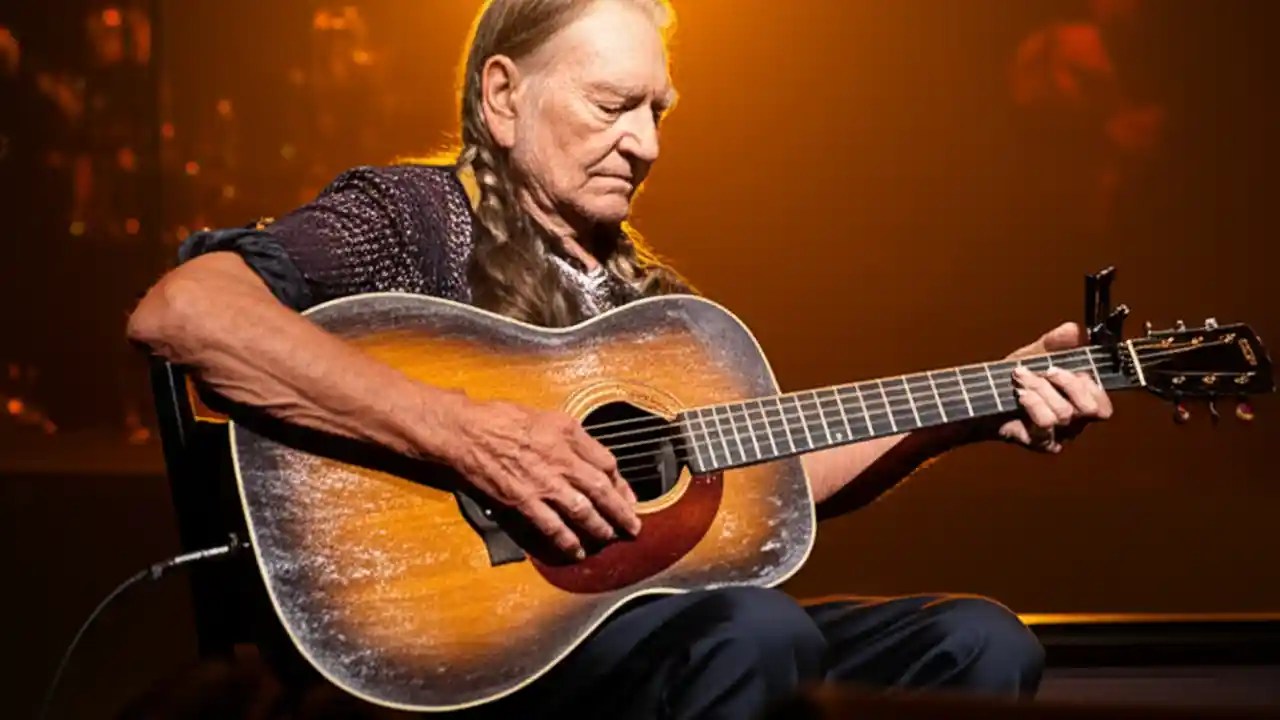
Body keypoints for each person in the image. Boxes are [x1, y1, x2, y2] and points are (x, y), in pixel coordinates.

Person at [126, 1, 1114, 717]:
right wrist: (473, 437)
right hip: (465, 648)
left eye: (658, 112)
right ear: (503, 97)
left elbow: (763, 478)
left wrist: (973, 404)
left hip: (648, 631)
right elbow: (188, 310)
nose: (643, 145)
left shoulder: (652, 308)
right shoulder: (414, 219)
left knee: (975, 641)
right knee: (757, 634)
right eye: (612, 106)